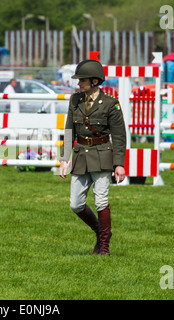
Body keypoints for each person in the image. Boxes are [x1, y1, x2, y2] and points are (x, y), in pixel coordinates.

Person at [59, 60, 126, 256]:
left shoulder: (111, 104)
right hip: (80, 155)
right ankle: (101, 232)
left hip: (103, 154)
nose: (79, 84)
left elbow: (119, 136)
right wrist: (64, 158)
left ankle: (104, 247)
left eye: (82, 80)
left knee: (101, 201)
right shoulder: (75, 100)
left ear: (95, 81)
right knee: (75, 204)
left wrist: (119, 164)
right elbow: (69, 130)